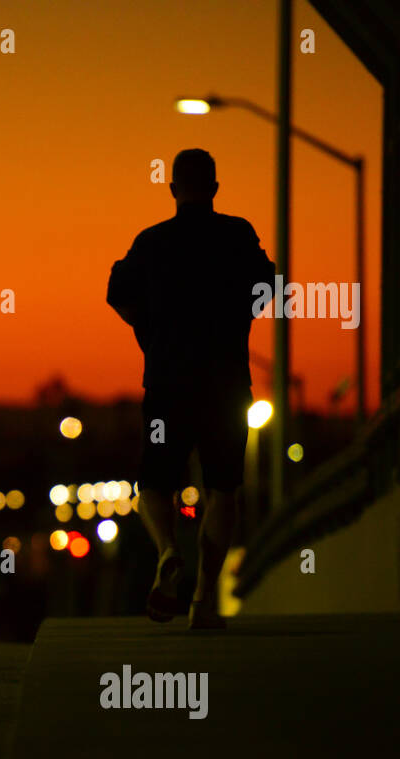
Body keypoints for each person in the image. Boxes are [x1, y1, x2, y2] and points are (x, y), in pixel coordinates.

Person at [106, 150, 275, 628]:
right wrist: (239, 318)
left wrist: (150, 332)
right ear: (215, 188)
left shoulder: (152, 241)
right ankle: (203, 599)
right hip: (226, 384)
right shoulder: (238, 235)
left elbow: (116, 291)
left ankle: (166, 551)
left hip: (166, 382)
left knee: (153, 488)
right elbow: (272, 285)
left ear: (173, 189)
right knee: (224, 490)